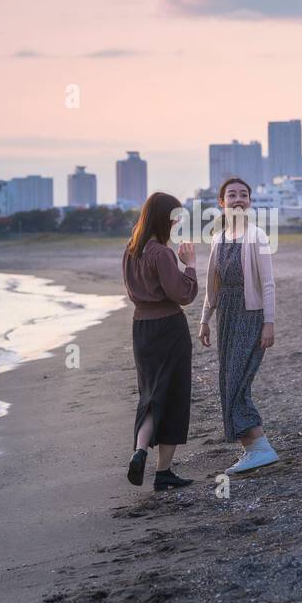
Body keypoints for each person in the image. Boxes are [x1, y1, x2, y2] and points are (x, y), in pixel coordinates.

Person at [199, 177, 279, 475]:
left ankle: (260, 448)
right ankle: (252, 448)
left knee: (238, 380)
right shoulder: (219, 238)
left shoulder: (256, 236)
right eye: (231, 195)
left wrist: (268, 323)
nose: (238, 199)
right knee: (227, 380)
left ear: (250, 201)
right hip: (226, 317)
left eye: (243, 194)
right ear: (222, 202)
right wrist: (205, 319)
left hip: (250, 314)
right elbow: (212, 284)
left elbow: (268, 283)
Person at [122, 192, 198, 491]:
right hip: (168, 327)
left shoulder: (130, 251)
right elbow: (183, 294)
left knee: (151, 393)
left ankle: (140, 450)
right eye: (175, 218)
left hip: (141, 328)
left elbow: (133, 290)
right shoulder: (162, 253)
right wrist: (189, 265)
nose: (178, 223)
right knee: (175, 395)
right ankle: (163, 472)